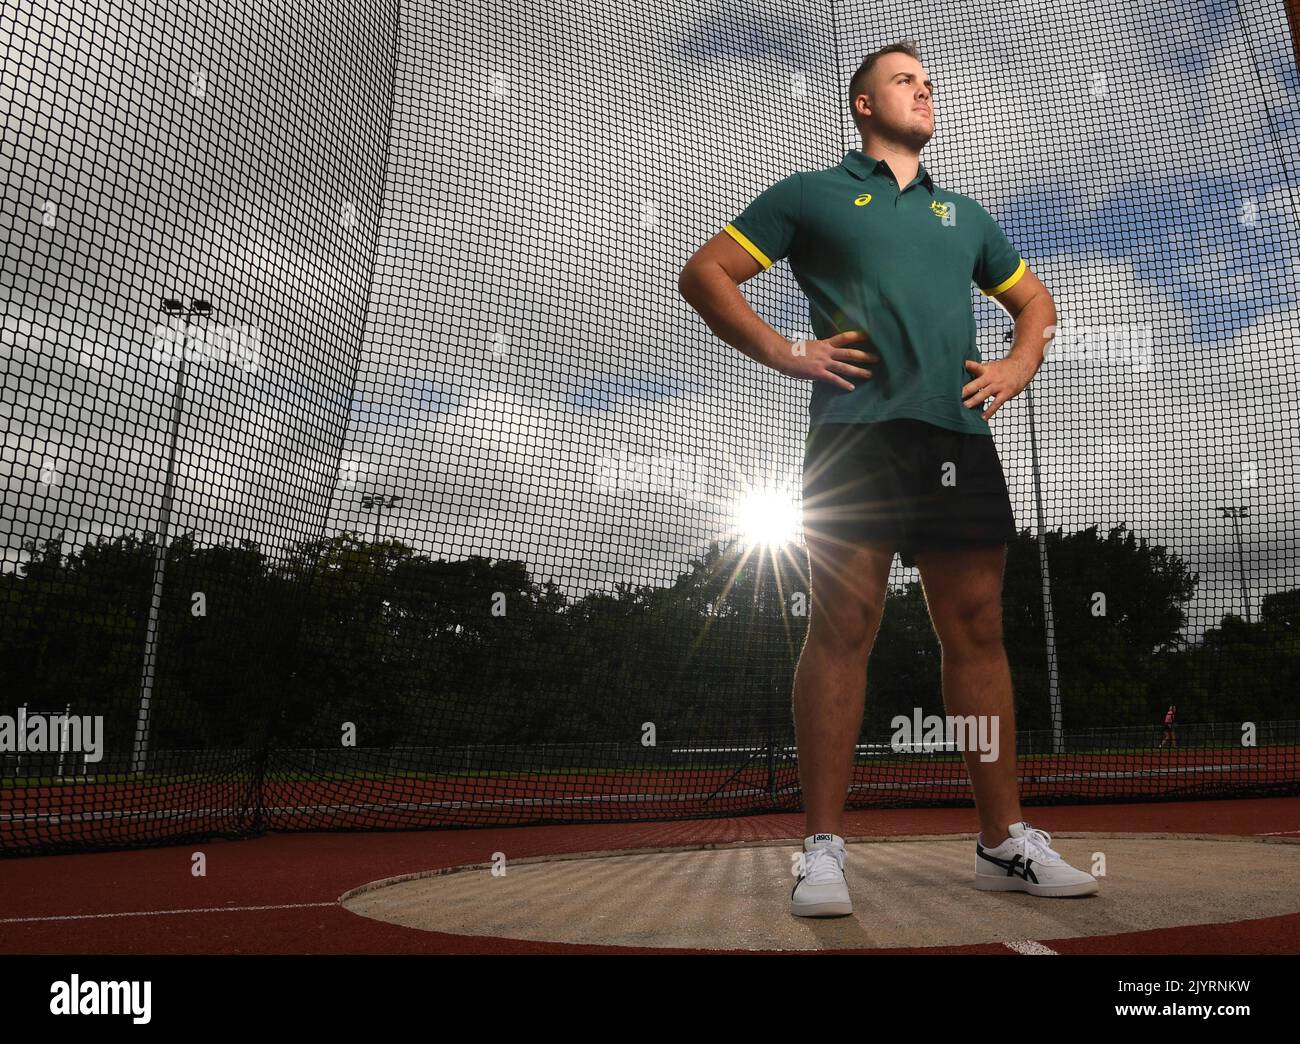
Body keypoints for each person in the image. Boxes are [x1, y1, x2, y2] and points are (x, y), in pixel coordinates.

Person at [678, 41, 1098, 917]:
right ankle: (824, 850)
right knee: (844, 624)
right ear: (863, 105)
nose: (923, 89)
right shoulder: (809, 194)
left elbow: (1036, 304)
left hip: (955, 433)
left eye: (928, 82)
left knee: (977, 629)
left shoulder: (966, 215)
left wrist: (1018, 366)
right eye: (905, 80)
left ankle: (1001, 844)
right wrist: (789, 352)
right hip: (853, 437)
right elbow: (706, 272)